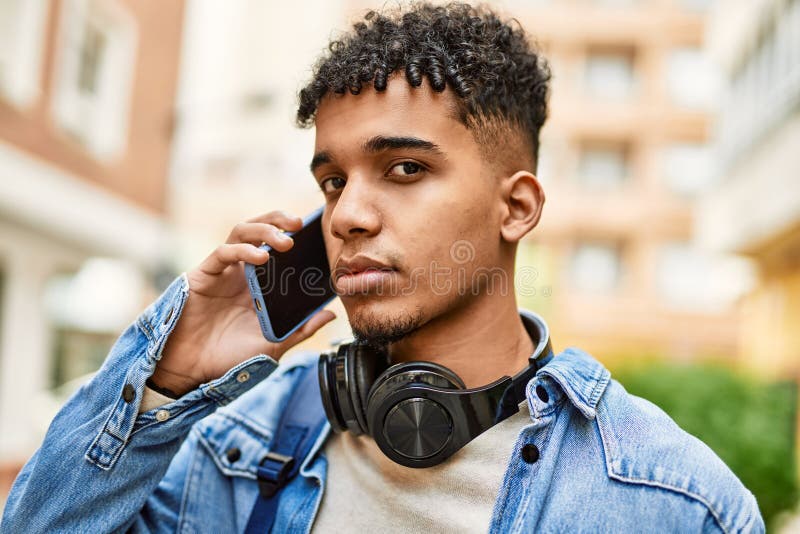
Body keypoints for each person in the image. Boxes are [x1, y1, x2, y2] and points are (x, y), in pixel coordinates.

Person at [2, 2, 764, 532]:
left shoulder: (673, 501)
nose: (346, 216)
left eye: (403, 169)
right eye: (331, 181)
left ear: (518, 207)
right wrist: (167, 382)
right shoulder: (235, 449)